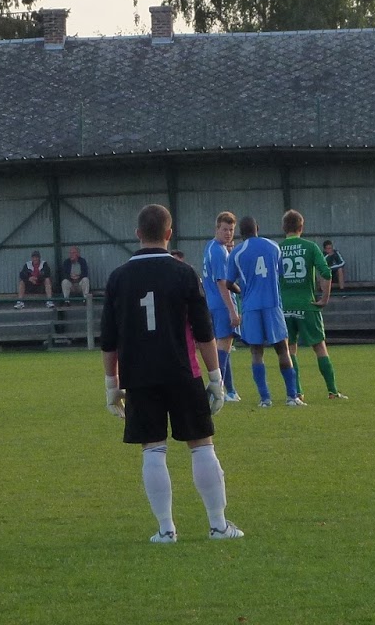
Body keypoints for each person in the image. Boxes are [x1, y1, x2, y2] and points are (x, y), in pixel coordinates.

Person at [100, 204, 239, 542]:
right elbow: (204, 332)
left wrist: (111, 384)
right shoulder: (183, 273)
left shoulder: (118, 277)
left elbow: (109, 338)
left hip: (139, 376)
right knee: (202, 446)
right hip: (182, 371)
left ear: (137, 234)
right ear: (169, 234)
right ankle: (218, 526)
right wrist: (216, 379)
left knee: (153, 449)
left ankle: (166, 530)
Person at [230, 217, 304, 407]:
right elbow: (278, 273)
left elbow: (229, 282)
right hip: (272, 304)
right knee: (283, 349)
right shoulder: (273, 246)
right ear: (258, 228)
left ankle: (265, 399)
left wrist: (242, 290)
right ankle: (292, 397)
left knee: (256, 352)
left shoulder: (237, 253)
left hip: (251, 307)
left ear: (240, 233)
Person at [278, 210, 344, 400]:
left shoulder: (277, 249)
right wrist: (324, 298)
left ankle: (297, 391)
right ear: (301, 227)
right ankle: (332, 391)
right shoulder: (310, 247)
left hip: (284, 307)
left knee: (289, 350)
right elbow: (326, 272)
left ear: (284, 228)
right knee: (319, 347)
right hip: (307, 305)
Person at [202, 212, 241, 403]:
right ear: (217, 228)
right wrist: (232, 310)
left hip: (211, 303)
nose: (228, 233)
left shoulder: (209, 246)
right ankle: (218, 390)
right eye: (224, 229)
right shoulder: (219, 251)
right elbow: (221, 282)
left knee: (223, 346)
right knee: (224, 347)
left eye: (231, 230)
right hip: (221, 305)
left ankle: (229, 391)